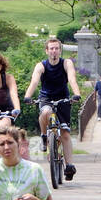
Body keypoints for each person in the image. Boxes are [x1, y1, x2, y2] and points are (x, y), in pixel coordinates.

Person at [23, 36, 81, 180]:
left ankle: (69, 166)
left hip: (63, 99)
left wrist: (77, 94)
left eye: (56, 48)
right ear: (47, 51)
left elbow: (72, 78)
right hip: (46, 98)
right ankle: (44, 136)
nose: (54, 51)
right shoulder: (41, 65)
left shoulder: (66, 63)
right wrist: (28, 96)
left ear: (60, 51)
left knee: (65, 134)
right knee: (46, 112)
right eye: (51, 49)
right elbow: (35, 81)